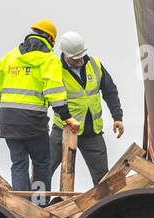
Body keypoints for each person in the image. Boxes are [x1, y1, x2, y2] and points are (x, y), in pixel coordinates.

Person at [0, 19, 79, 194]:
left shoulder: (11, 56)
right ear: (51, 40)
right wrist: (66, 117)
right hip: (33, 122)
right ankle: (39, 205)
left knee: (18, 163)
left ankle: (21, 206)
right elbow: (55, 92)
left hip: (8, 121)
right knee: (41, 162)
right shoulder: (49, 60)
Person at [49, 30, 124, 186]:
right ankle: (36, 204)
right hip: (63, 130)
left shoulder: (95, 64)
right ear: (65, 54)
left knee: (103, 179)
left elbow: (110, 91)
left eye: (81, 55)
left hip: (92, 133)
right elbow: (48, 98)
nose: (79, 60)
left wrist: (117, 117)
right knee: (44, 170)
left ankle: (105, 208)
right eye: (75, 58)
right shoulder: (55, 70)